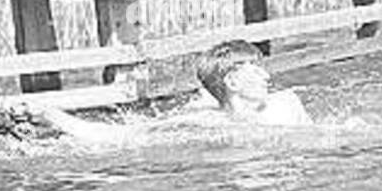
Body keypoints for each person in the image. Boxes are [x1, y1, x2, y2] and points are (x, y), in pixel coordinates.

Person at [19, 39, 311, 146]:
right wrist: (54, 116)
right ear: (232, 82)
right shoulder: (204, 123)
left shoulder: (287, 104)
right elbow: (120, 137)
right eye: (256, 69)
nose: (267, 75)